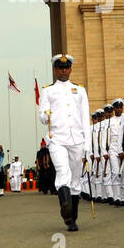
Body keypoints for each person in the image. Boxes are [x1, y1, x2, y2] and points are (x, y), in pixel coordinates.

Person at [38, 53, 90, 232]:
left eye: (66, 67)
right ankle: (65, 208)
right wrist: (45, 115)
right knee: (62, 171)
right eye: (60, 68)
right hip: (57, 139)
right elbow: (42, 115)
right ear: (55, 70)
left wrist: (88, 145)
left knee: (75, 180)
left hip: (77, 139)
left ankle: (72, 218)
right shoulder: (47, 91)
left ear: (70, 69)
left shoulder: (80, 90)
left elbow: (85, 119)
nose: (63, 71)